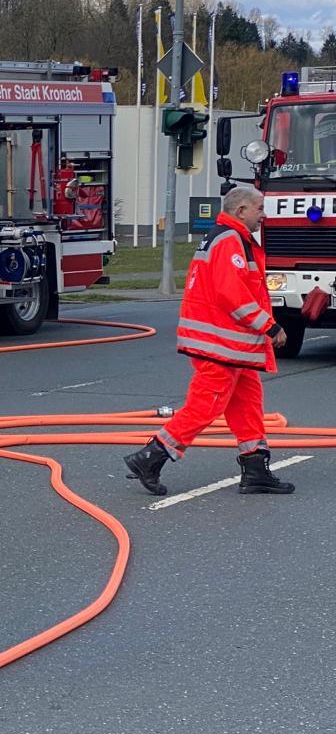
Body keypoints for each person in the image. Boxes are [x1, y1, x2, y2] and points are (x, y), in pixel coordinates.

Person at [122, 184, 294, 498]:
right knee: (205, 406)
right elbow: (233, 295)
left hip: (229, 344)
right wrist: (270, 327)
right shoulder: (231, 241)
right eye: (259, 209)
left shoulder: (228, 238)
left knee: (247, 405)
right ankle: (151, 457)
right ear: (241, 211)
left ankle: (255, 470)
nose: (264, 216)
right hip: (220, 343)